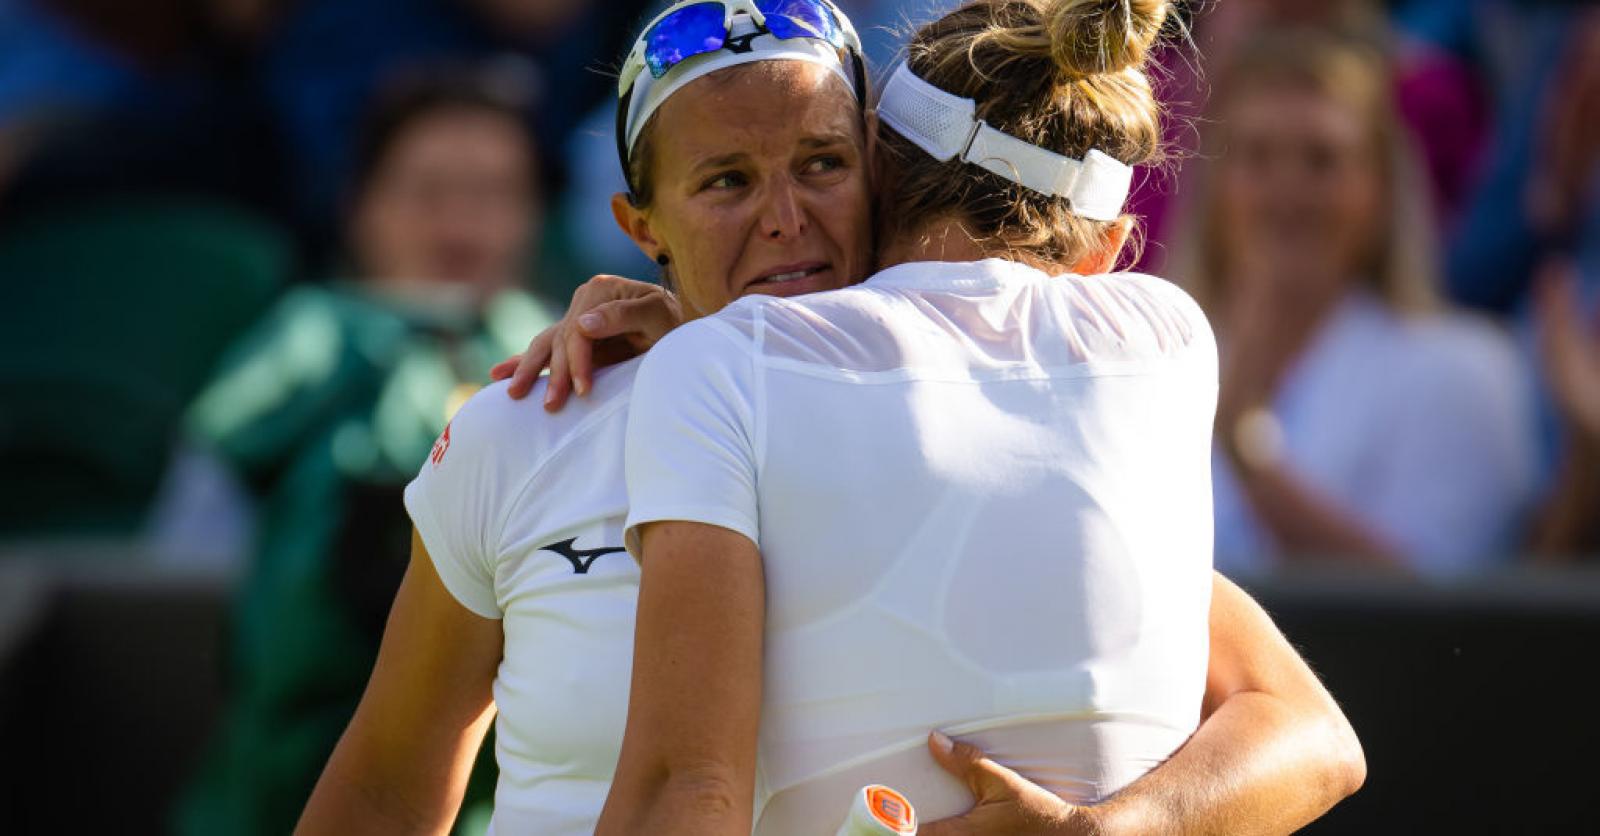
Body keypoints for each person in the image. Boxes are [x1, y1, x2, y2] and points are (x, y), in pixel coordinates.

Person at [302, 3, 1362, 834]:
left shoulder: (996, 430)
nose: (784, 217)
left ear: (883, 172)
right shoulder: (523, 427)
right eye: (725, 181)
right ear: (641, 222)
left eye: (821, 164)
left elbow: (1304, 728)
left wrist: (1105, 828)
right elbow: (392, 790)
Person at [175, 65, 555, 836]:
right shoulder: (310, 333)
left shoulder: (566, 351)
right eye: (427, 191)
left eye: (491, 193)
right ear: (360, 207)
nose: (459, 220)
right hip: (287, 767)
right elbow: (191, 534)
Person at [1166, 27, 1536, 576]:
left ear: (1383, 189)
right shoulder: (1152, 364)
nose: (1286, 189)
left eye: (1322, 160)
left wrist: (1249, 458)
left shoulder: (1463, 369)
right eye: (1255, 156)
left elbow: (1446, 616)